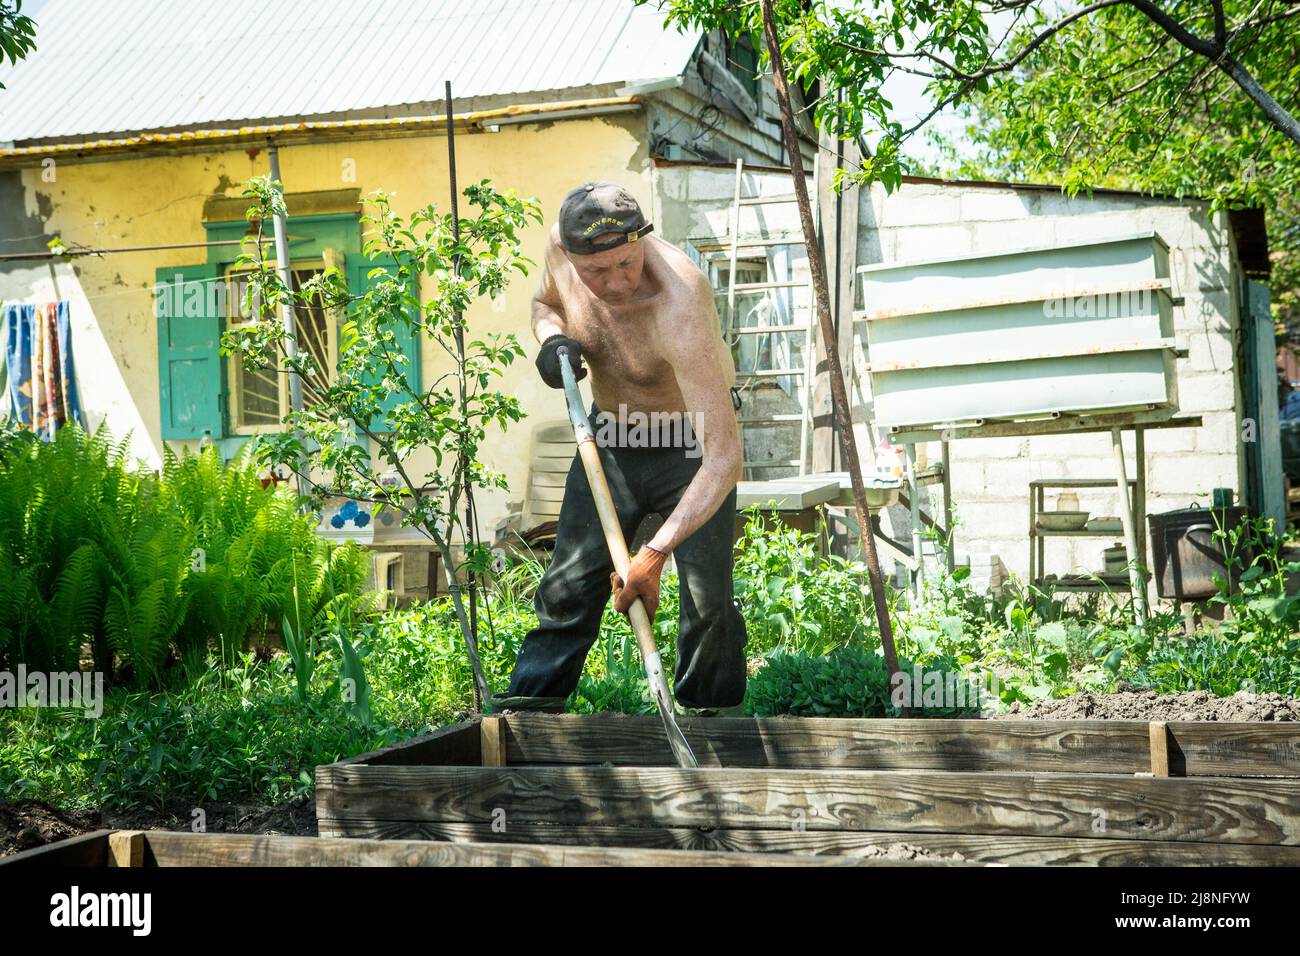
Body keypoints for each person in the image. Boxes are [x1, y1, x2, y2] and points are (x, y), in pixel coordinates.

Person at [490, 181, 748, 717]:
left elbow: (725, 457)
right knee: (568, 586)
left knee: (707, 601)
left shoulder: (680, 299)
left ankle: (712, 723)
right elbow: (544, 304)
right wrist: (551, 340)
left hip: (691, 444)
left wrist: (653, 555)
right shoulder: (558, 251)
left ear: (643, 240)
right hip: (612, 437)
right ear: (569, 252)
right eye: (597, 273)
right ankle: (526, 720)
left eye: (626, 264)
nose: (615, 283)